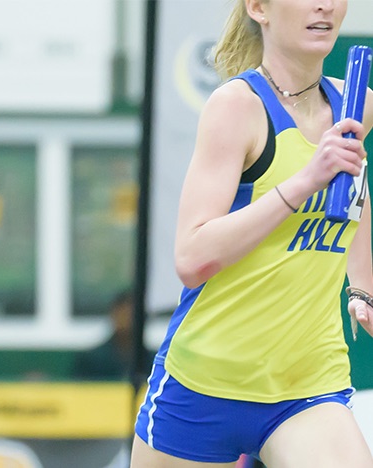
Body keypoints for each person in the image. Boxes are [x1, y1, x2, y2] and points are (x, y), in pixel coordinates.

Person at [131, 1, 373, 466]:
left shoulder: (356, 101)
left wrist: (361, 284)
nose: (325, 5)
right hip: (204, 384)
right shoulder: (236, 106)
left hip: (307, 383)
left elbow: (355, 188)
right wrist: (305, 181)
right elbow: (191, 258)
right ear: (259, 7)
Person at [73, 290, 150, 381]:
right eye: (122, 313)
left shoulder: (153, 361)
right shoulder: (91, 360)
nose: (126, 319)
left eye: (131, 314)